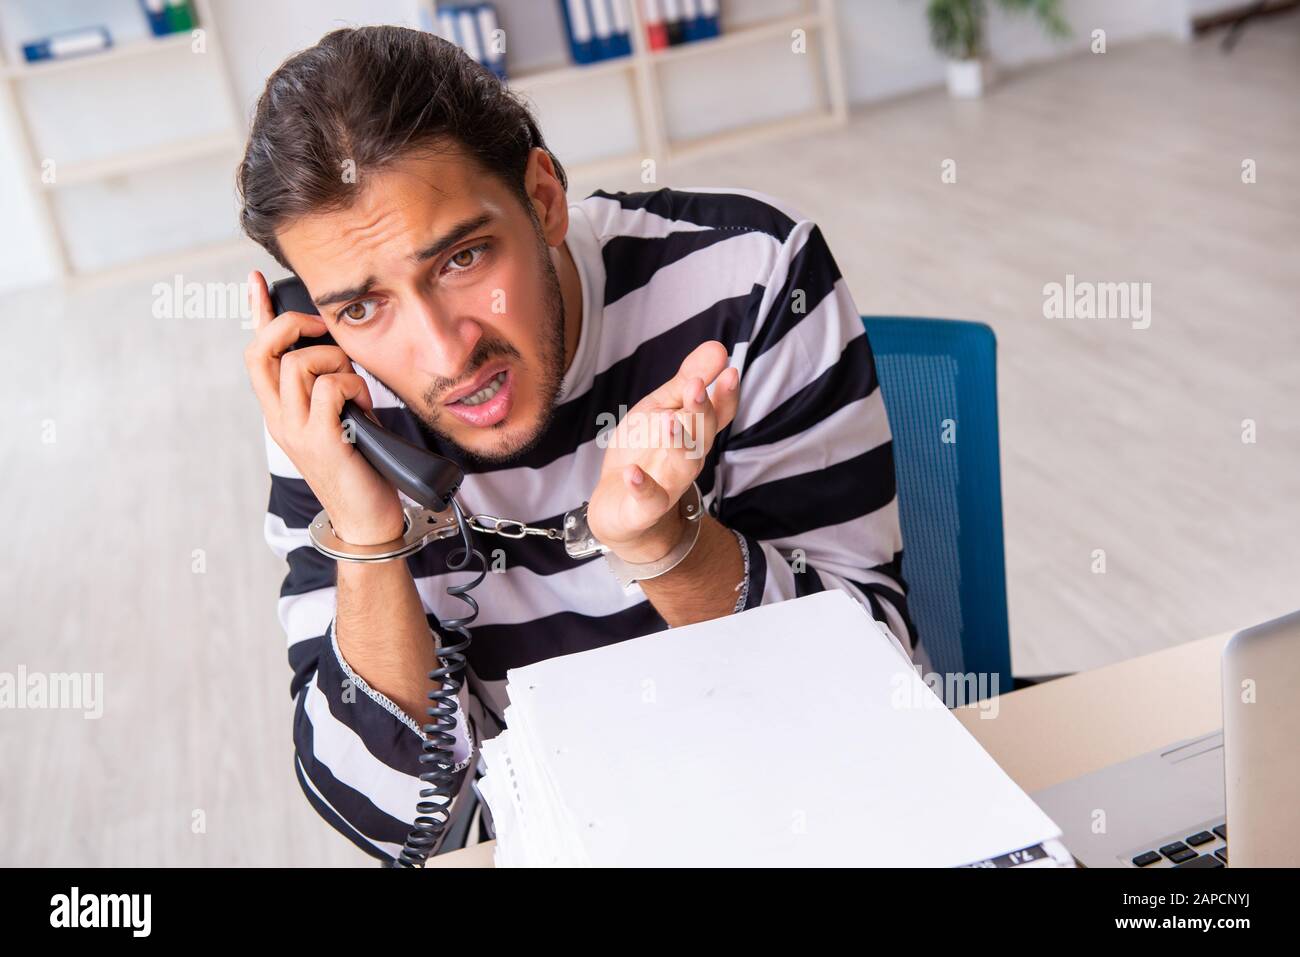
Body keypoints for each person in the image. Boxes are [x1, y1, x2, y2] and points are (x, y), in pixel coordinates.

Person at [238, 25, 918, 863]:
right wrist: (370, 539)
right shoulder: (334, 410)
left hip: (811, 811)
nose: (446, 355)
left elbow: (882, 683)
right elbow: (394, 823)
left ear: (544, 197)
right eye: (363, 307)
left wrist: (668, 546)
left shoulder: (749, 278)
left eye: (462, 257)